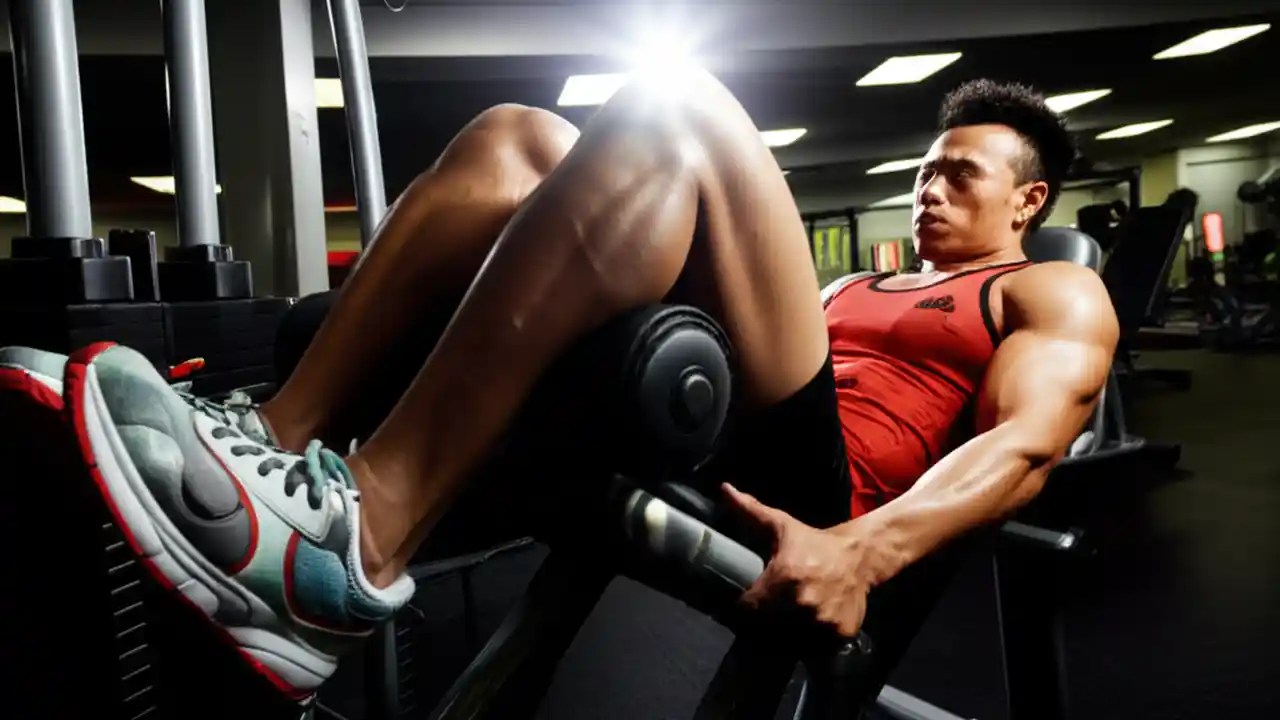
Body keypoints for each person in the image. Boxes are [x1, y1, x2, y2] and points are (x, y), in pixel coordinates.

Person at [60, 74, 1117, 700]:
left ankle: (359, 536)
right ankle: (283, 444)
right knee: (514, 139)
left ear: (1027, 199)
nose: (930, 189)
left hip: (821, 486)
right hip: (727, 416)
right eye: (926, 170)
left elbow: (1025, 445)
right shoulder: (856, 281)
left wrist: (859, 550)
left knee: (682, 106)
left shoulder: (1049, 287)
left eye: (959, 175)